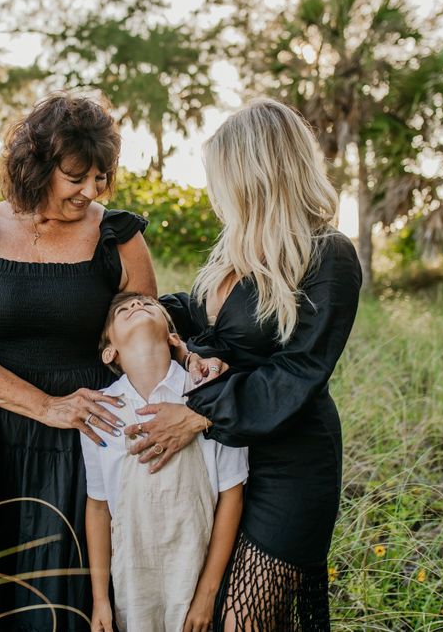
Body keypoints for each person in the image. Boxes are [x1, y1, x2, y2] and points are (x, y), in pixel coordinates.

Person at [0, 92, 158, 631]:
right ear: (38, 165)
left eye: (100, 177)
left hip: (88, 434)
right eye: (76, 177)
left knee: (70, 598)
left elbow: (144, 345)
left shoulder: (119, 237)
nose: (90, 191)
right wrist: (46, 405)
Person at [124, 98, 363, 631]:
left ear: (256, 174)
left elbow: (298, 372)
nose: (215, 192)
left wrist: (196, 414)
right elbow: (199, 320)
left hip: (290, 466)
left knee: (243, 622)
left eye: (221, 177)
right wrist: (142, 311)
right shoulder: (235, 251)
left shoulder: (329, 255)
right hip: (225, 463)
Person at [80, 292, 247, 632]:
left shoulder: (209, 393)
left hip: (196, 570)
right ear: (109, 351)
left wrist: (206, 595)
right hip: (133, 580)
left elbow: (232, 495)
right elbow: (98, 507)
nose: (136, 307)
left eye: (147, 305)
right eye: (123, 310)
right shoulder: (100, 410)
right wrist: (101, 598)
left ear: (173, 336)